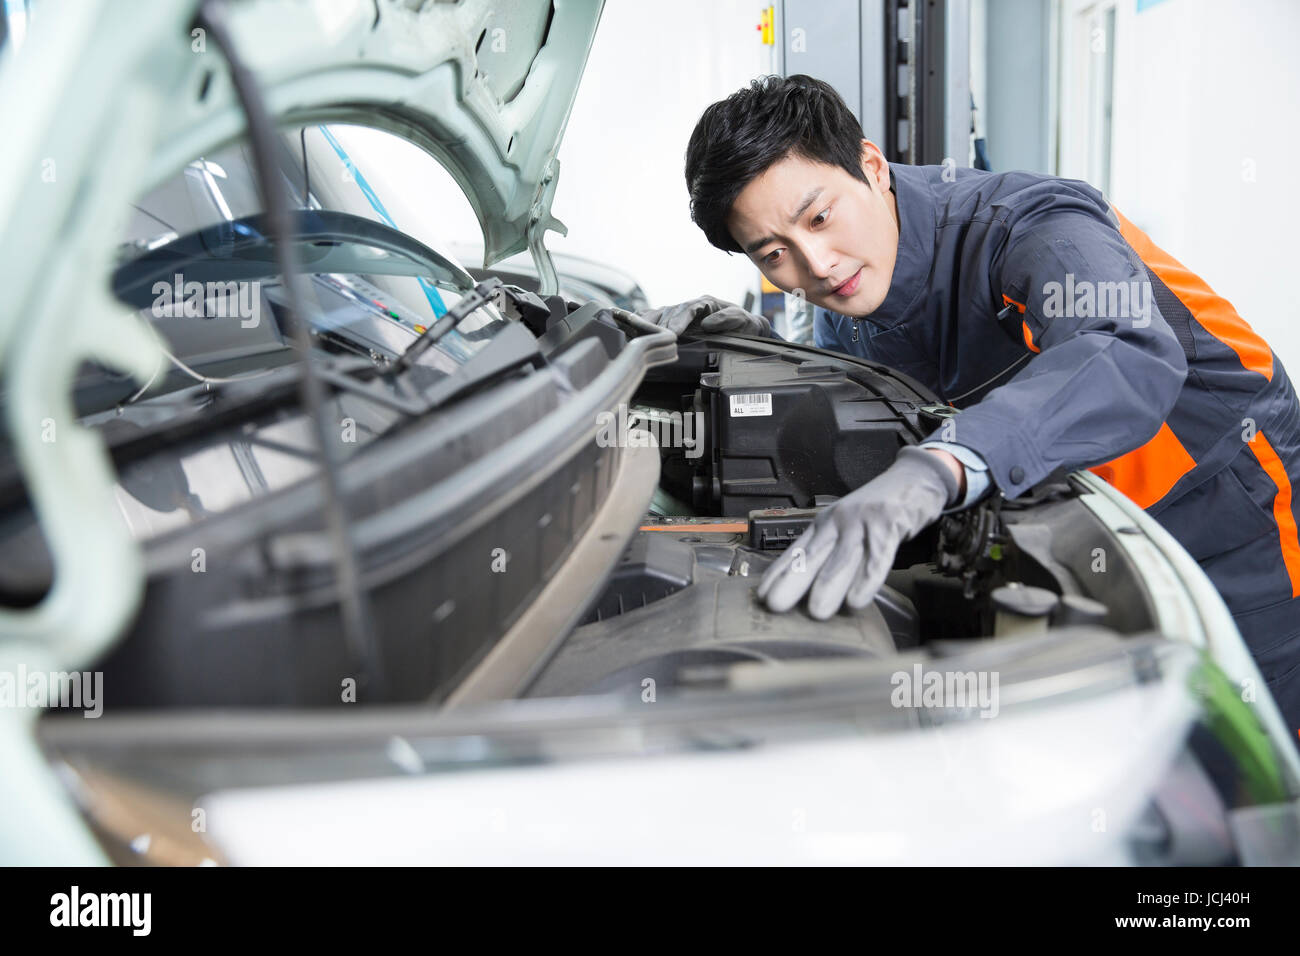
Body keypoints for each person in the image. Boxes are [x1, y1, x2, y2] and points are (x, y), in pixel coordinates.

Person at [637, 74, 1300, 740]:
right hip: (1082, 519)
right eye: (775, 253)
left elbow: (1123, 350)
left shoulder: (1032, 224)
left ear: (871, 165)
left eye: (819, 218)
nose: (817, 265)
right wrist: (751, 348)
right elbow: (878, 398)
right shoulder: (847, 304)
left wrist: (943, 465)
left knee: (1256, 729)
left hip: (1228, 497)